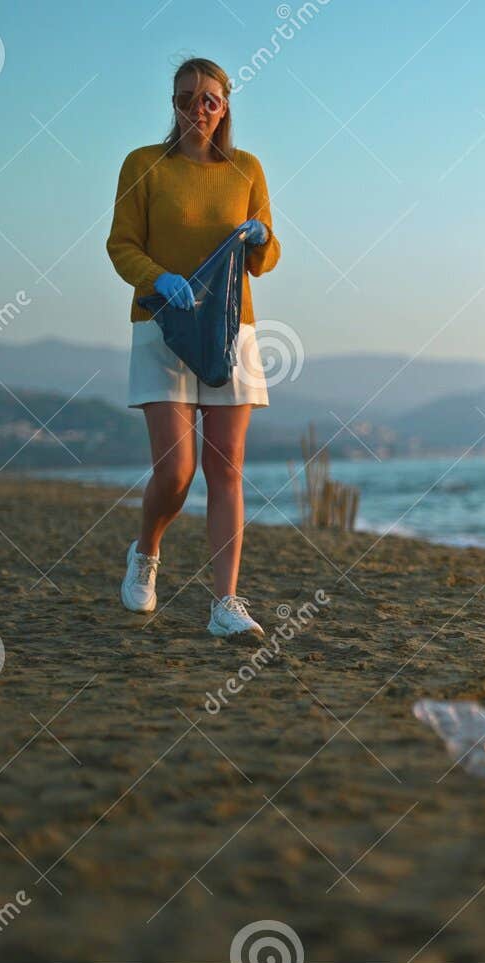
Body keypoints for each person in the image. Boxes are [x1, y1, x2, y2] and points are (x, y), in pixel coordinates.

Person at [106, 57, 281, 637]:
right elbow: (121, 243)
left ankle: (225, 603)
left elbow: (266, 256)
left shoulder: (246, 169)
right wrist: (158, 279)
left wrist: (261, 238)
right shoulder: (144, 164)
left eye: (209, 99)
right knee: (177, 470)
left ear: (225, 106)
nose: (197, 109)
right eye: (186, 98)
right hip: (162, 324)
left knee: (226, 470)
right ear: (172, 103)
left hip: (232, 330)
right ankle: (147, 551)